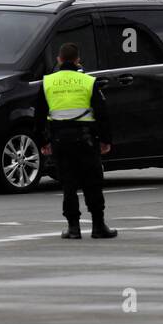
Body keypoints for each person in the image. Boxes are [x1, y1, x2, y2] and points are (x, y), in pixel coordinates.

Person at [36, 42, 117, 240]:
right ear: (77, 60)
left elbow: (38, 116)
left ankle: (73, 229)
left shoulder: (47, 82)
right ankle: (98, 227)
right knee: (92, 182)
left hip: (60, 140)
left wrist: (43, 141)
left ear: (59, 60)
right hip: (86, 139)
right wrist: (105, 140)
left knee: (68, 184)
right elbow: (102, 114)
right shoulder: (88, 82)